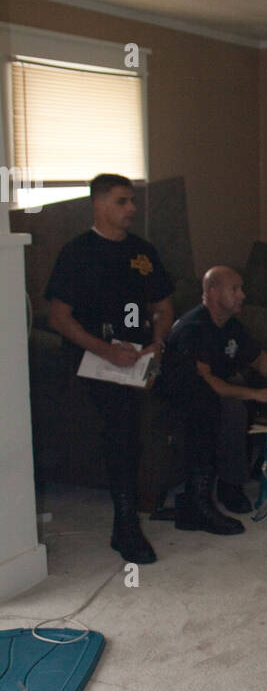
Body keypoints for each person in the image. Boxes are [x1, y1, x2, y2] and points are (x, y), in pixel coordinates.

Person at [45, 174, 174, 564]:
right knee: (121, 421)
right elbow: (58, 317)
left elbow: (164, 308)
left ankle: (202, 498)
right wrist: (106, 351)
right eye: (122, 202)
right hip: (95, 358)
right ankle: (125, 524)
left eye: (132, 201)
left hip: (140, 355)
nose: (131, 209)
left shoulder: (143, 252)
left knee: (195, 382)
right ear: (99, 206)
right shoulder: (77, 253)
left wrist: (157, 344)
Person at [160, 266, 267, 534]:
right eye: (235, 289)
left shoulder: (229, 325)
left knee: (242, 396)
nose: (242, 294)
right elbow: (207, 383)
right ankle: (201, 501)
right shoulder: (194, 328)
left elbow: (258, 357)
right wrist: (256, 394)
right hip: (183, 399)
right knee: (234, 406)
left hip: (213, 391)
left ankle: (231, 485)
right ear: (213, 293)